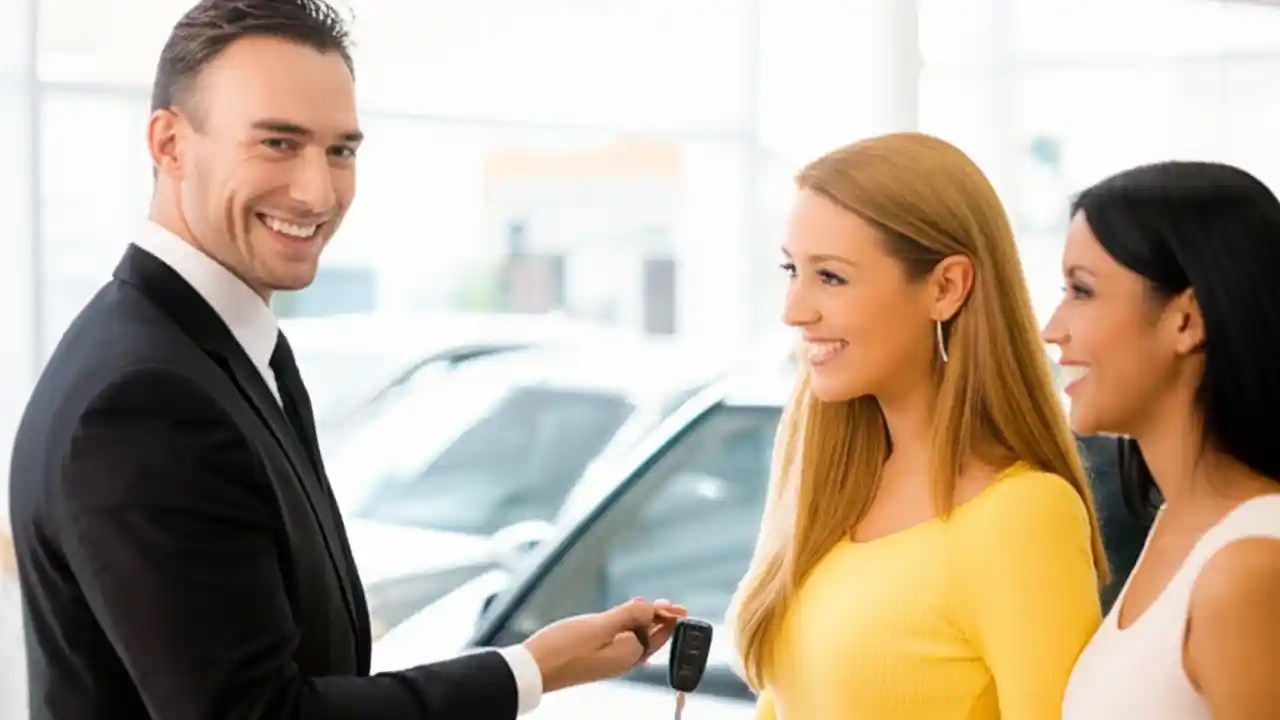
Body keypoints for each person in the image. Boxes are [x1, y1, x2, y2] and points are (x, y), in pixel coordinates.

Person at [6, 2, 684, 718]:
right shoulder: (146, 398)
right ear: (170, 143)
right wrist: (529, 671)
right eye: (277, 143)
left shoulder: (208, 350)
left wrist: (537, 664)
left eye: (341, 151)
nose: (318, 192)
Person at [727, 132, 1109, 719]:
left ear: (945, 287)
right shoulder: (827, 491)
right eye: (791, 270)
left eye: (830, 277)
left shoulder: (1023, 515)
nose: (793, 310)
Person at [1053, 161, 1280, 719]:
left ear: (1187, 319)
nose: (1053, 327)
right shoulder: (1177, 526)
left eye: (1082, 290)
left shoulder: (1248, 569)